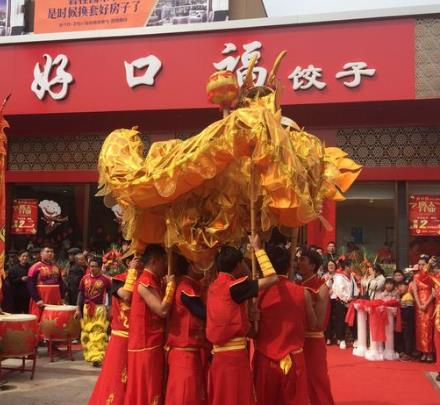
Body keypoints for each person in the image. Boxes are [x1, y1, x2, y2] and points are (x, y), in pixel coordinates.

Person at [206, 235, 278, 405]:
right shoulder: (235, 287)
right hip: (234, 358)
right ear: (238, 265)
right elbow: (272, 278)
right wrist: (258, 249)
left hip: (218, 356)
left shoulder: (213, 287)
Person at [254, 245, 317, 405]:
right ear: (289, 266)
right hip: (293, 357)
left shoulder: (258, 294)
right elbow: (313, 324)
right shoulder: (303, 292)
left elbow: (252, 330)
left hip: (265, 358)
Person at [89, 256, 143, 405]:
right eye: (136, 260)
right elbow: (126, 295)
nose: (140, 263)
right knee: (116, 378)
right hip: (121, 337)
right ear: (128, 262)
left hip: (139, 338)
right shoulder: (117, 280)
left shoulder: (146, 280)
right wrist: (132, 272)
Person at [124, 244, 174, 405]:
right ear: (154, 261)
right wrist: (171, 287)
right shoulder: (145, 281)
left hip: (152, 344)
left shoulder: (153, 280)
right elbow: (162, 310)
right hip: (145, 345)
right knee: (148, 389)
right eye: (163, 262)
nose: (166, 266)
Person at [165, 255, 207, 405]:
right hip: (184, 353)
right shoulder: (186, 288)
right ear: (190, 264)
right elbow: (205, 314)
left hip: (192, 352)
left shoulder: (193, 285)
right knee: (184, 396)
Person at [297, 248, 335, 405]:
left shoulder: (321, 287)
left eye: (302, 260)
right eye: (298, 259)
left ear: (312, 265)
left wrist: (306, 304)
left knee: (316, 380)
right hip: (297, 342)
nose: (298, 263)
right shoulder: (296, 285)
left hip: (313, 342)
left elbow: (318, 324)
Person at [75, 257, 112, 367]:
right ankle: (89, 353)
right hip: (87, 308)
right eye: (91, 266)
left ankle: (98, 356)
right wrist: (78, 308)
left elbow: (110, 293)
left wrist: (109, 307)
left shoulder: (106, 280)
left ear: (100, 267)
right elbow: (80, 294)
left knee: (98, 331)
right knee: (87, 330)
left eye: (95, 266)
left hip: (100, 309)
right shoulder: (84, 279)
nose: (93, 268)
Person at [27, 245, 64, 320]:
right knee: (40, 318)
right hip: (42, 297)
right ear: (41, 254)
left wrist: (62, 297)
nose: (50, 253)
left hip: (56, 297)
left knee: (55, 318)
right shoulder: (35, 267)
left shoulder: (56, 267)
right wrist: (37, 299)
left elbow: (61, 282)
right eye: (47, 252)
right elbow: (30, 285)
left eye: (52, 252)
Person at [411, 254, 435, 362]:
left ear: (427, 264)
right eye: (419, 265)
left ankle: (429, 352)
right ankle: (422, 351)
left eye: (423, 264)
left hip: (429, 304)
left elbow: (434, 292)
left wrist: (426, 304)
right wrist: (419, 303)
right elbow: (415, 291)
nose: (421, 267)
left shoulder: (433, 276)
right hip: (419, 304)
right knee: (420, 328)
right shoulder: (416, 276)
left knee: (428, 328)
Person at [332, 259, 359, 349]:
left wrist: (355, 296)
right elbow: (339, 290)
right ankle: (341, 339)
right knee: (341, 321)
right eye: (351, 266)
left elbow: (355, 287)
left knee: (352, 321)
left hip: (351, 302)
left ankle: (355, 339)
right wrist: (347, 298)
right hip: (341, 302)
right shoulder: (339, 277)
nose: (352, 267)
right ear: (347, 267)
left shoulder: (351, 276)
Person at [397, 280, 415, 361]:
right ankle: (406, 353)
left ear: (407, 287)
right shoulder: (404, 296)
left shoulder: (408, 296)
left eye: (402, 286)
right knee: (405, 337)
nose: (400, 288)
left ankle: (408, 354)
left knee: (408, 338)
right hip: (405, 321)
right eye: (399, 287)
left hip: (408, 322)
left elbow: (409, 310)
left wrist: (404, 319)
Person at [323, 260, 337, 345]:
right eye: (329, 265)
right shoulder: (324, 276)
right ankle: (328, 337)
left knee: (335, 319)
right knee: (327, 319)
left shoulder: (338, 276)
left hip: (335, 299)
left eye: (332, 265)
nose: (331, 266)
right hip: (327, 299)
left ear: (335, 266)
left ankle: (335, 336)